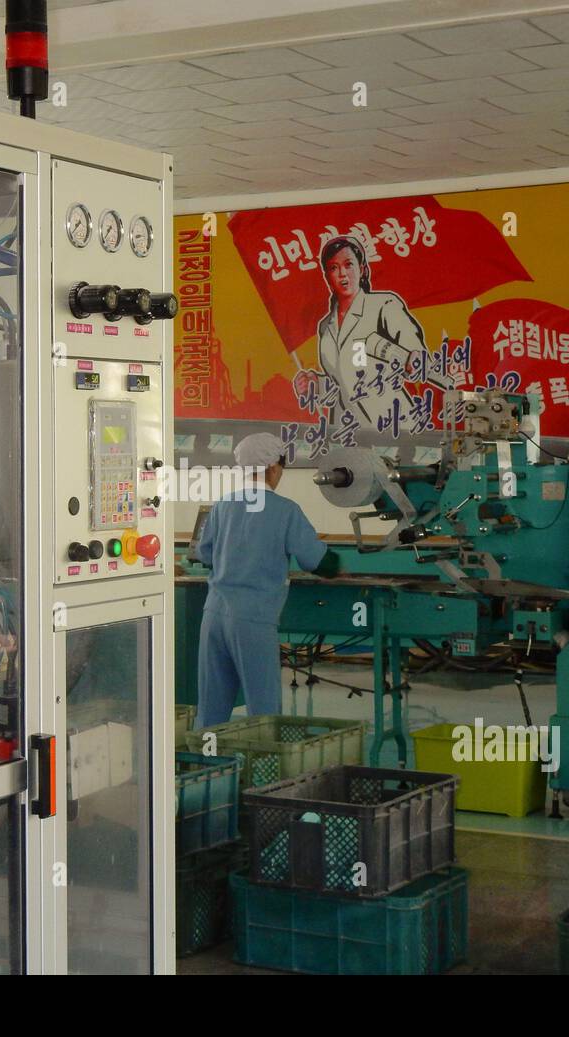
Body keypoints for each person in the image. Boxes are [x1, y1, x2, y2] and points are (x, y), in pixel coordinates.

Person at [192, 432, 340, 728]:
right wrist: (339, 564)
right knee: (264, 710)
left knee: (211, 707)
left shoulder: (222, 505)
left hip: (214, 616)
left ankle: (205, 766)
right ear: (274, 468)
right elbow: (318, 562)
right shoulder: (285, 510)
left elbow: (204, 554)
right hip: (253, 618)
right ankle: (264, 771)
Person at [300, 235, 448, 432]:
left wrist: (413, 360)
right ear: (327, 276)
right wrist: (316, 384)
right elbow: (342, 384)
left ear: (361, 269)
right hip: (349, 430)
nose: (342, 274)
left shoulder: (384, 305)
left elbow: (417, 357)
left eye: (348, 264)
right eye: (334, 268)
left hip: (392, 426)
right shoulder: (326, 326)